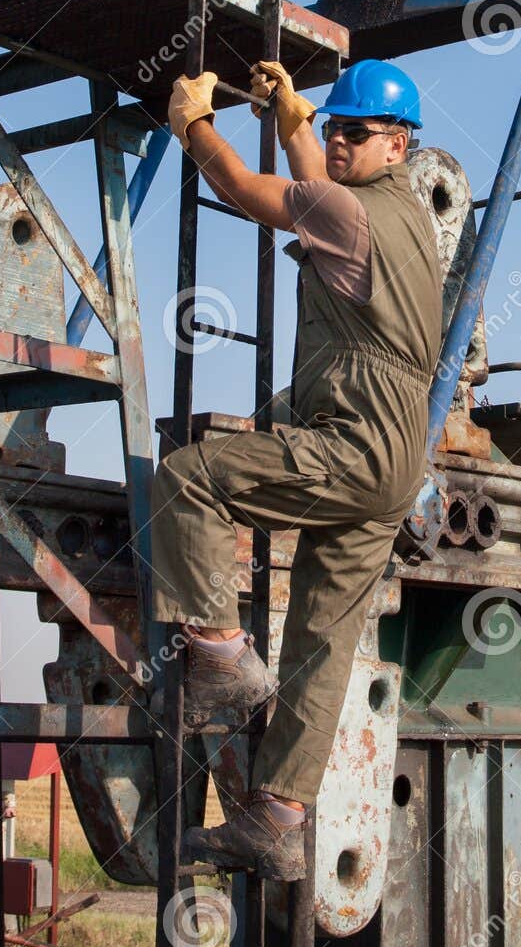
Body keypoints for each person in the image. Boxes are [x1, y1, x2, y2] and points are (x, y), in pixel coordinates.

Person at [150, 57, 442, 880]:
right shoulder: (406, 214)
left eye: (358, 131)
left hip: (353, 437)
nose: (340, 140)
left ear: (399, 143)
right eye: (337, 126)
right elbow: (321, 190)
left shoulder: (347, 210)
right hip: (398, 457)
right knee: (321, 638)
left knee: (188, 476)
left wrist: (192, 123)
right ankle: (275, 820)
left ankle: (219, 656)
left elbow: (248, 191)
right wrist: (292, 122)